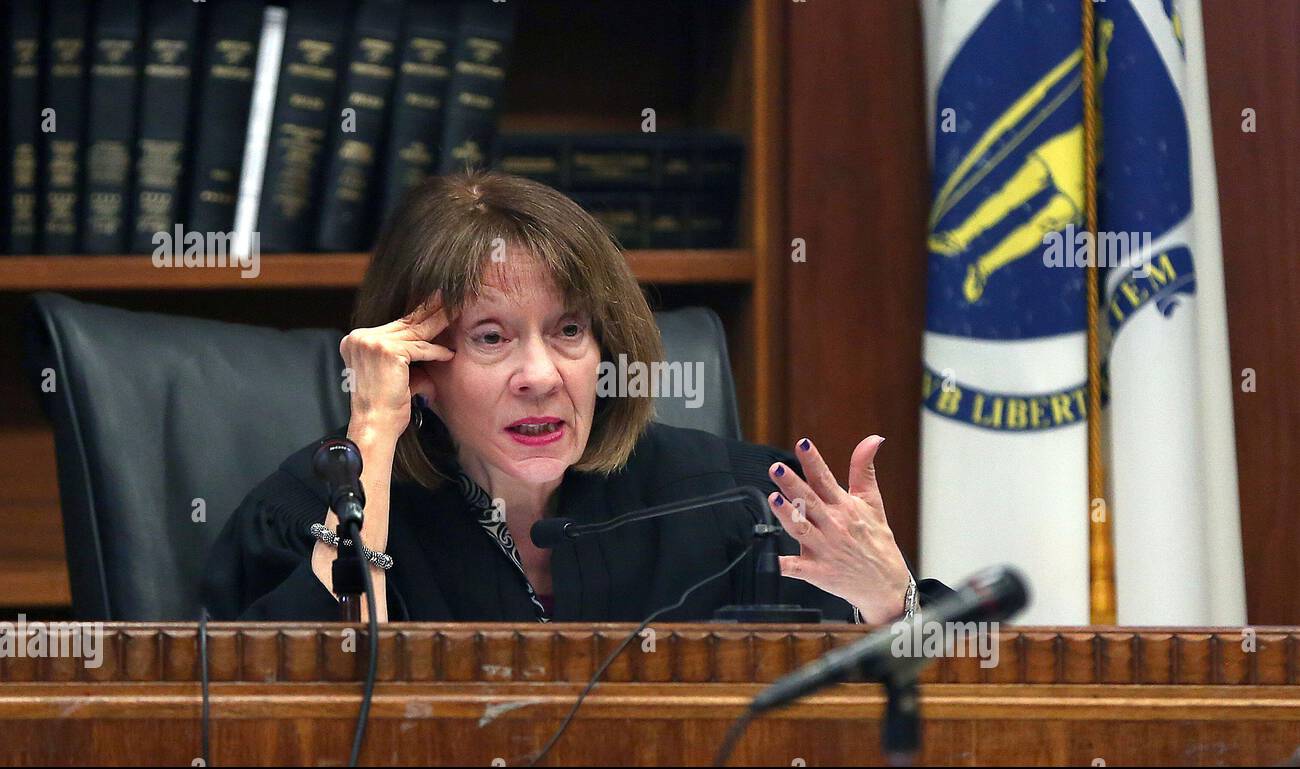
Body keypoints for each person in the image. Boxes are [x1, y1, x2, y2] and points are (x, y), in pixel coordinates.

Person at [201, 171, 948, 622]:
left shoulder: (738, 506)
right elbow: (291, 713)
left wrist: (893, 601)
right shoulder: (310, 506)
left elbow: (944, 712)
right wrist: (373, 428)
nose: (540, 375)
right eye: (490, 338)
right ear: (420, 360)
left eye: (568, 331)